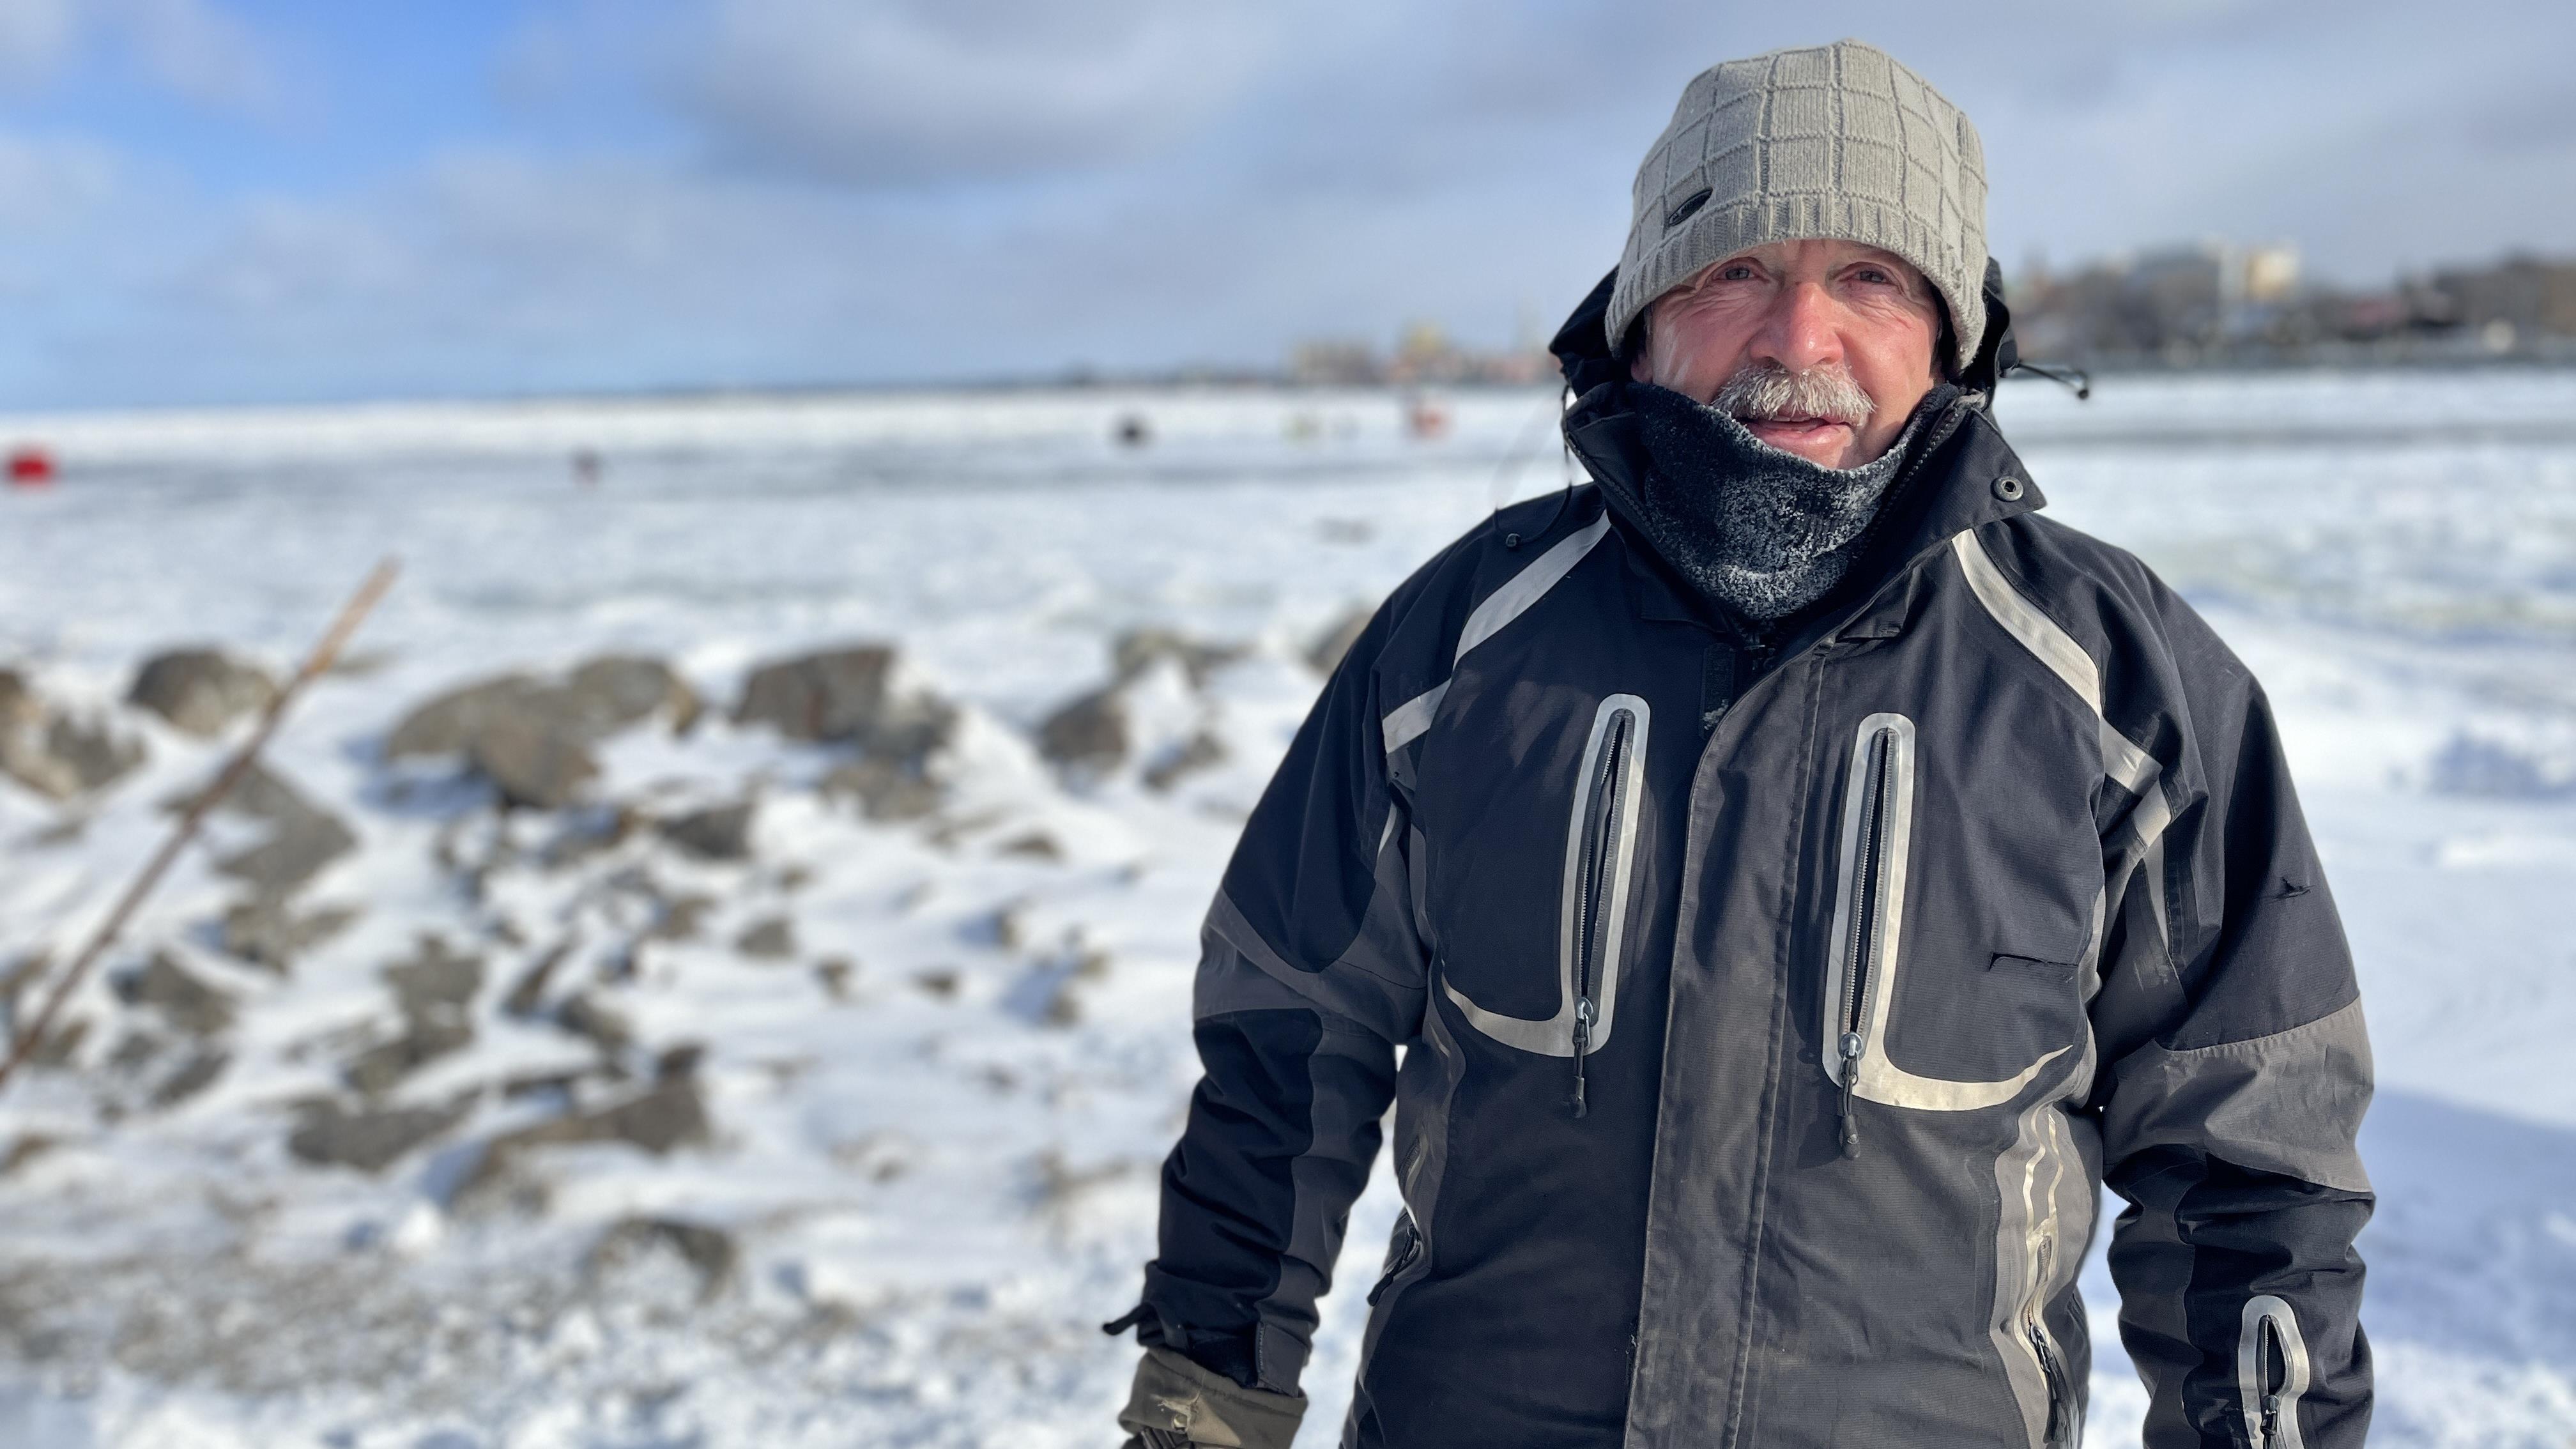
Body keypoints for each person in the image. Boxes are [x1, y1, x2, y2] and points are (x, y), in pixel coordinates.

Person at [1107, 38, 2371, 1449]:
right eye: (1734, 272)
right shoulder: (1461, 646)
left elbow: (2254, 1161)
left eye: (1871, 280)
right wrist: (1202, 1408)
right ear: (1644, 321)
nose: (1797, 342)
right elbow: (1288, 1053)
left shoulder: (2119, 685)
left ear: (1950, 336)